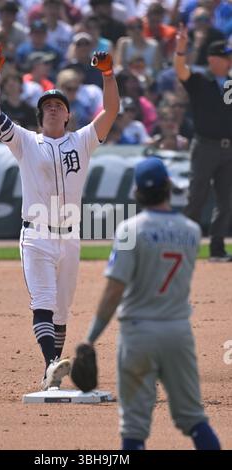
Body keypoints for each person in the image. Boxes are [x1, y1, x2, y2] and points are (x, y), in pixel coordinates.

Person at [0, 45, 119, 390]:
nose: (53, 108)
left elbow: (113, 109)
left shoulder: (83, 140)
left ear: (68, 115)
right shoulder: (25, 141)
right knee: (42, 302)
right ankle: (51, 364)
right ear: (40, 116)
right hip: (37, 235)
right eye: (47, 106)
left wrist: (108, 74)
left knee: (61, 311)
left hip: (70, 237)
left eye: (59, 105)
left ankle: (51, 375)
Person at [80, 157, 221, 450]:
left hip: (138, 333)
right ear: (168, 187)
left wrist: (91, 338)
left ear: (137, 194)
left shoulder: (131, 230)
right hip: (177, 332)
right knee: (195, 419)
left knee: (134, 427)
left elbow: (113, 291)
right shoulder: (192, 231)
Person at [174, 26, 232, 261]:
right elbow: (180, 70)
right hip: (205, 146)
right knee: (196, 196)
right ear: (212, 58)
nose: (229, 60)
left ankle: (217, 249)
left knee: (226, 200)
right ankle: (184, 245)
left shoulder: (229, 83)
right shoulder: (199, 79)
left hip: (229, 148)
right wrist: (180, 49)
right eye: (225, 56)